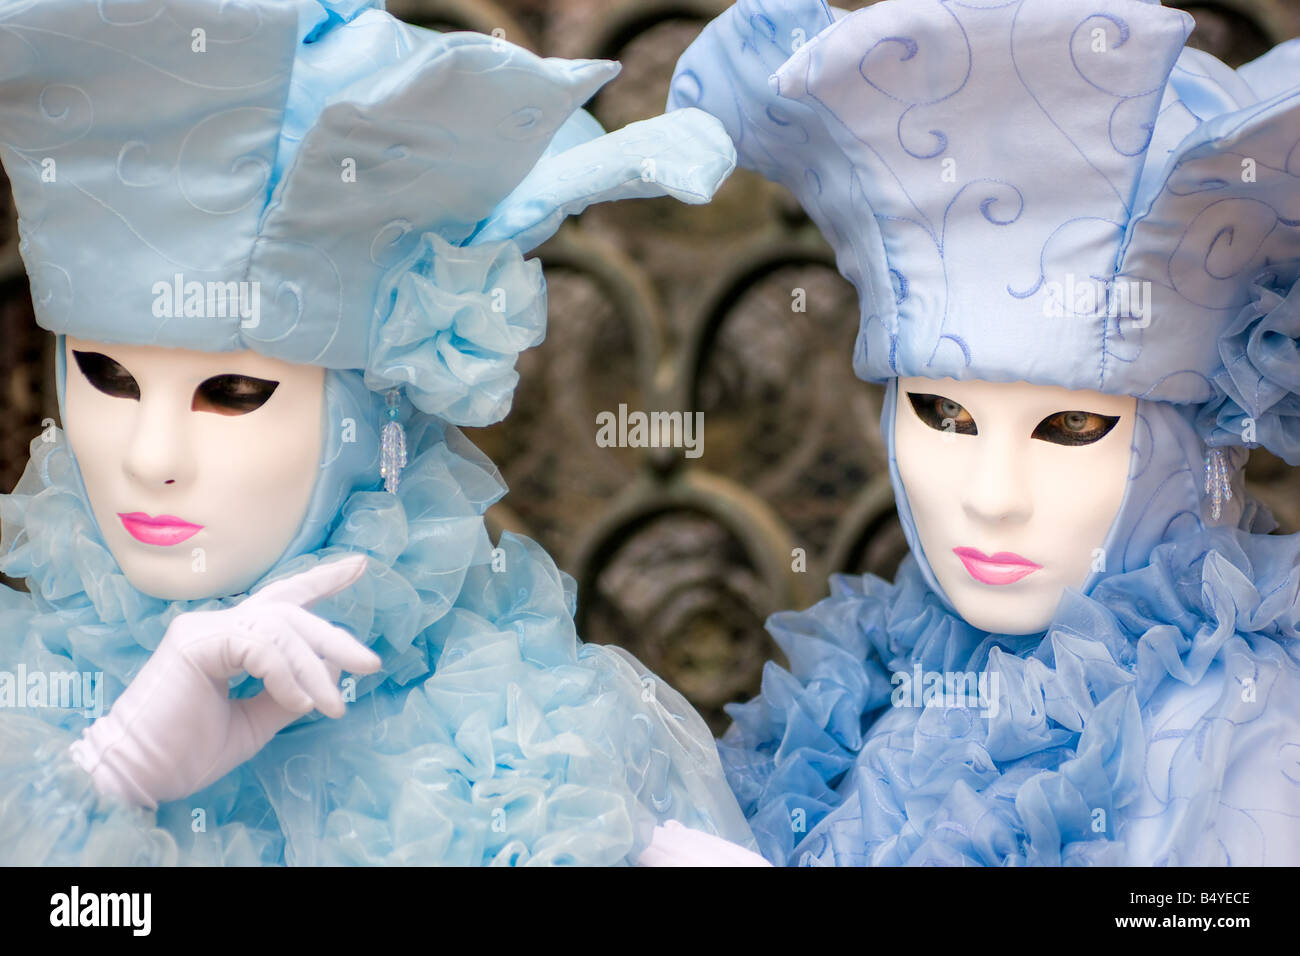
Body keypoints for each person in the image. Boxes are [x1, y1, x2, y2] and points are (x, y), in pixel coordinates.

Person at [0, 0, 756, 865]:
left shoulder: (527, 765)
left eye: (234, 392)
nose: (151, 459)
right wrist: (108, 775)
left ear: (369, 418)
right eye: (109, 378)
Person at [651, 0, 1300, 865]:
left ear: (1194, 440)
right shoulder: (884, 689)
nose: (992, 499)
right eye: (943, 415)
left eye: (1071, 426)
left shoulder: (1237, 729)